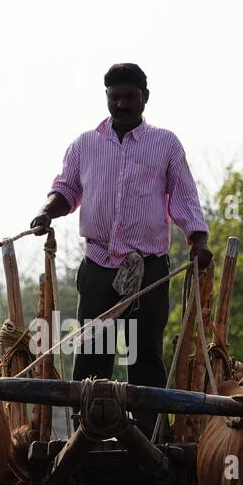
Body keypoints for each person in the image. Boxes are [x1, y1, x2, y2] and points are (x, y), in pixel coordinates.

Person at [30, 63, 211, 435]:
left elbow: (184, 197)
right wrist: (45, 213)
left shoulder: (165, 143)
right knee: (93, 350)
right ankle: (87, 431)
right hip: (98, 265)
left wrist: (198, 240)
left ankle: (148, 435)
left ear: (144, 97)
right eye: (115, 98)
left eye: (130, 97)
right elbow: (65, 190)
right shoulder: (85, 144)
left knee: (145, 353)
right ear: (107, 98)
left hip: (148, 267)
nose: (122, 104)